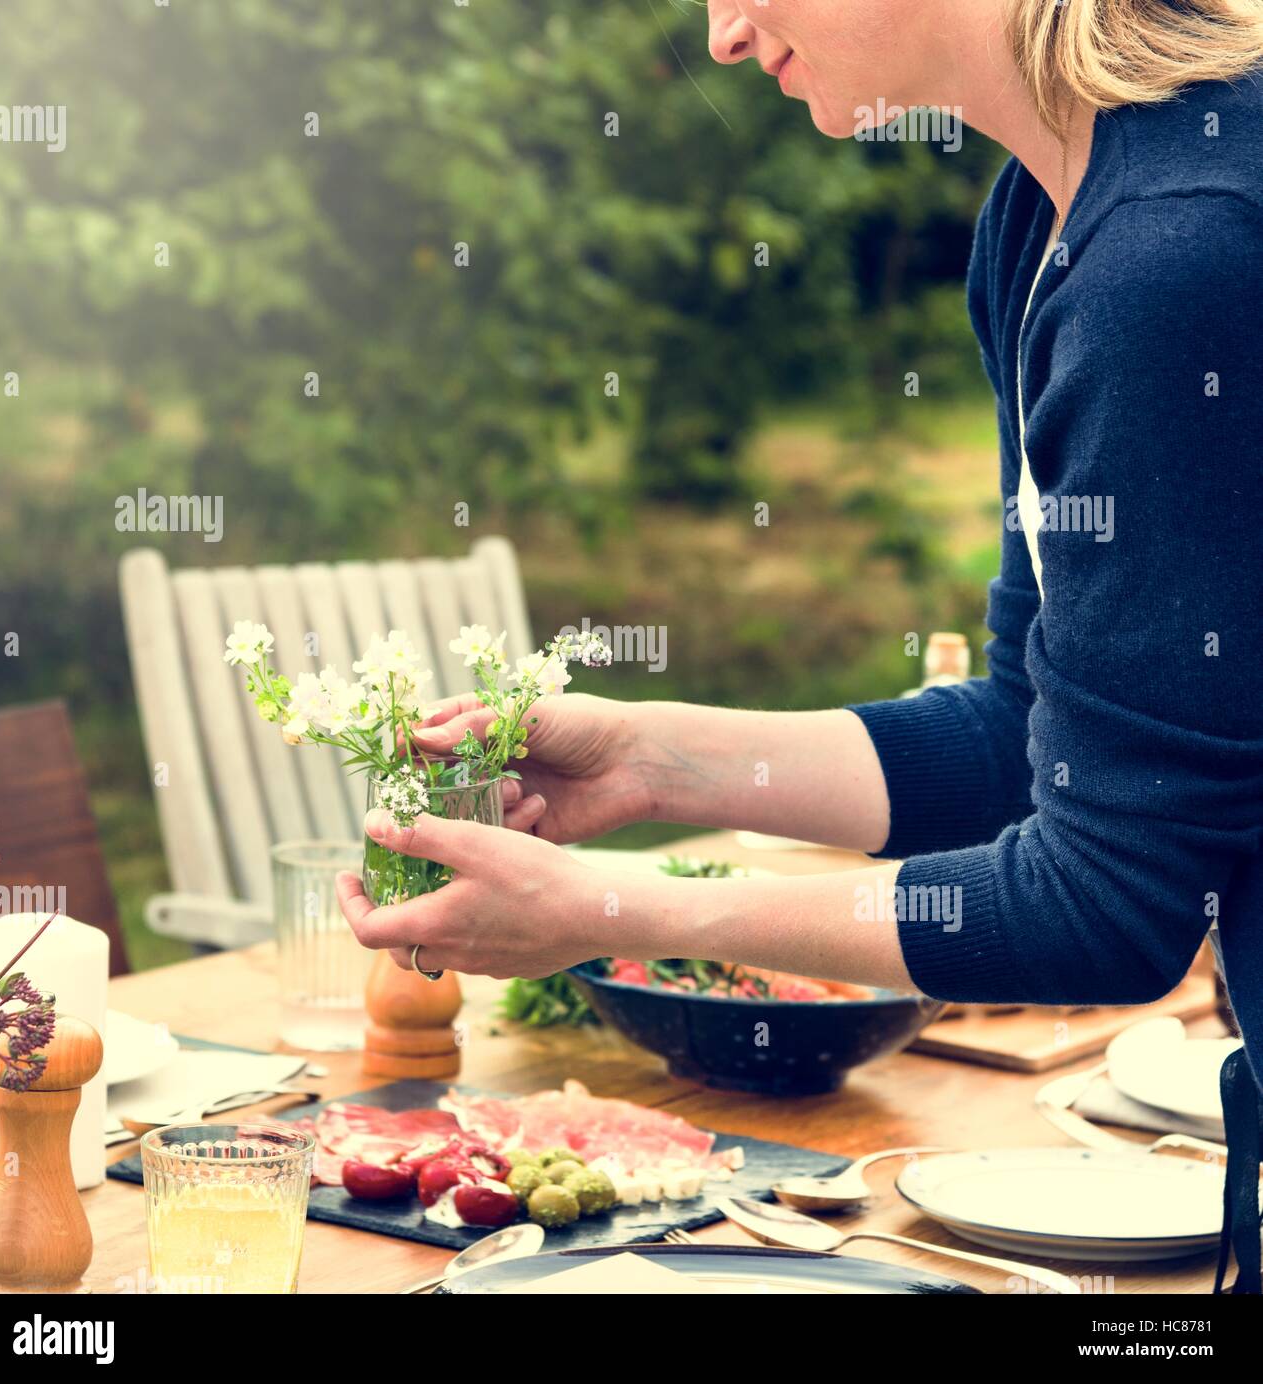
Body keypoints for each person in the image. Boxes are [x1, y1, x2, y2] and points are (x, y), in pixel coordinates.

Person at [338, 0, 1263, 1285]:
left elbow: (1109, 902)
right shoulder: (1041, 222)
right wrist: (656, 764)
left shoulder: (1180, 255)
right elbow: (1028, 730)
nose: (721, 34)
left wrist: (609, 911)